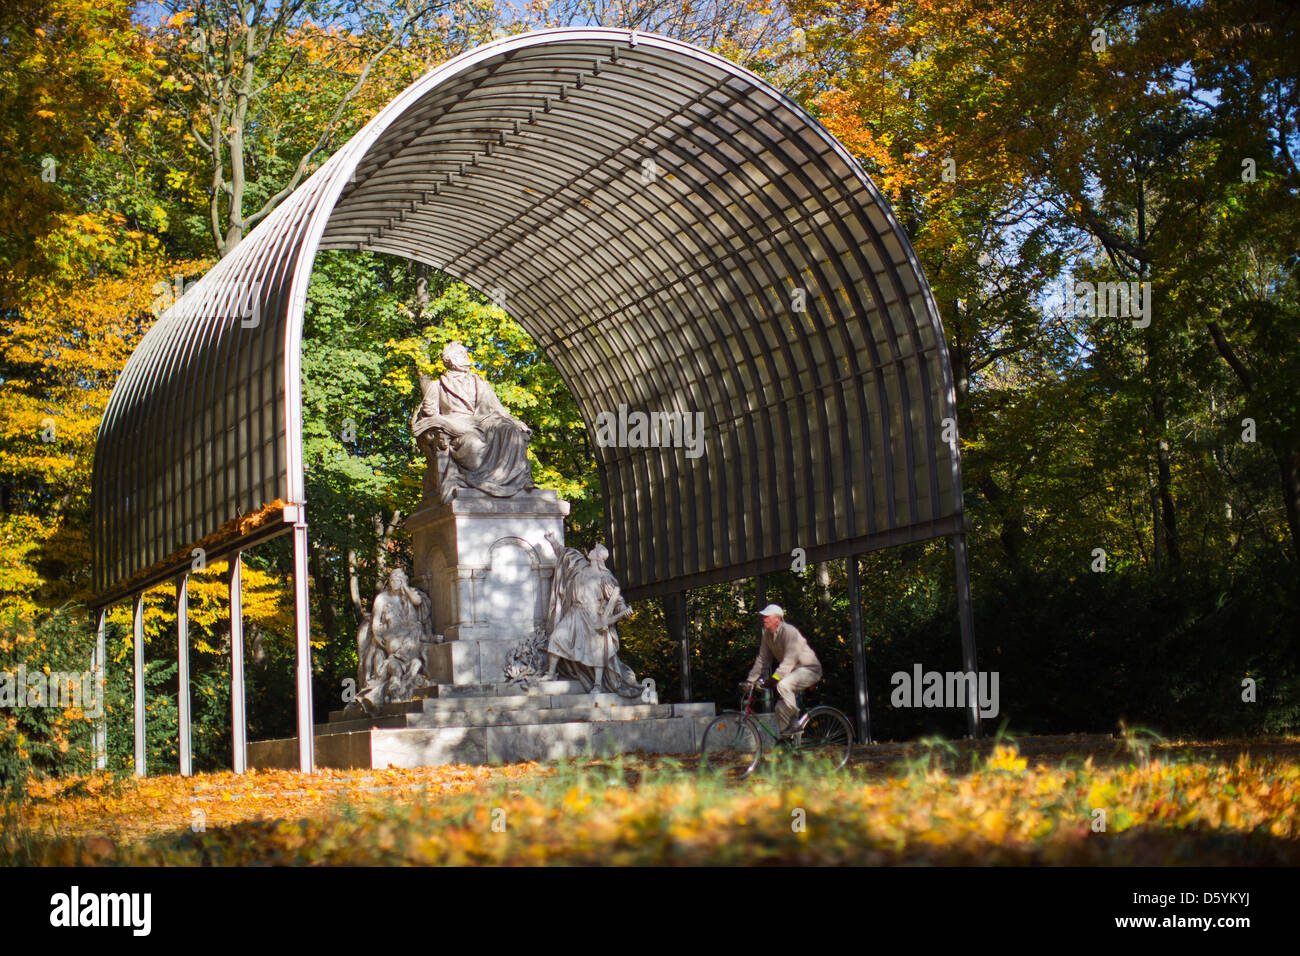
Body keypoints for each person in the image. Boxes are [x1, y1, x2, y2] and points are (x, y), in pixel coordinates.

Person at [411, 341, 535, 502]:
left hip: (482, 421)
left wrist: (514, 421)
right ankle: (481, 483)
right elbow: (427, 416)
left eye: (465, 353)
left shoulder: (480, 382)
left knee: (511, 432)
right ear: (451, 360)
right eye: (462, 353)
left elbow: (497, 408)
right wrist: (432, 417)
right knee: (474, 445)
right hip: (457, 426)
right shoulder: (438, 386)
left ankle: (515, 482)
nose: (466, 356)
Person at [542, 532, 642, 697]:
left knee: (597, 650)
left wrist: (623, 610)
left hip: (593, 615)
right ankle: (551, 674)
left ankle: (597, 684)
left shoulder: (604, 577)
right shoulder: (579, 567)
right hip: (575, 612)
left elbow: (615, 599)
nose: (591, 551)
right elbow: (564, 554)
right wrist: (553, 542)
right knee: (556, 638)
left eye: (595, 550)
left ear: (599, 557)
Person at [743, 604, 822, 735]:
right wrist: (749, 681)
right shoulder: (767, 636)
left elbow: (790, 659)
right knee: (780, 708)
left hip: (809, 669)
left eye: (767, 616)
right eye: (763, 617)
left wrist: (775, 678)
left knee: (783, 684)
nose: (764, 619)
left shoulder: (789, 632)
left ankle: (794, 721)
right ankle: (787, 744)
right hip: (793, 673)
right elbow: (762, 659)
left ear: (778, 619)